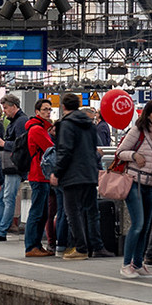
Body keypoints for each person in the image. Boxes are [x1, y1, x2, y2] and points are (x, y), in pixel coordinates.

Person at [114, 100, 152, 279]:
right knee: (137, 224)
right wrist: (134, 155)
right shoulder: (137, 131)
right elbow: (119, 152)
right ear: (148, 115)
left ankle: (138, 263)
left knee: (146, 226)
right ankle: (126, 264)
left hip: (151, 184)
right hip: (134, 182)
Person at [51, 94, 101, 261]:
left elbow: (64, 150)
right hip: (90, 173)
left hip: (72, 174)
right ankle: (96, 246)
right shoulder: (90, 124)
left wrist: (57, 172)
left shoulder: (66, 124)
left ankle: (81, 247)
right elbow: (94, 147)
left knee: (72, 212)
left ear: (63, 106)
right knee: (92, 211)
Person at [0, 95, 26, 243]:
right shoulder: (13, 122)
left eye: (5, 108)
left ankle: (1, 230)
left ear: (14, 106)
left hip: (13, 166)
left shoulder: (21, 121)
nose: (4, 111)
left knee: (7, 197)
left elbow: (22, 143)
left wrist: (5, 144)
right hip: (7, 165)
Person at [23, 97, 56, 256]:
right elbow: (51, 149)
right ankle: (31, 247)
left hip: (42, 176)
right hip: (38, 175)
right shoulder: (37, 129)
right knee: (37, 212)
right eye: (44, 110)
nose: (48, 112)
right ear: (37, 112)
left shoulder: (43, 128)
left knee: (43, 213)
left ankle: (36, 245)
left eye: (49, 109)